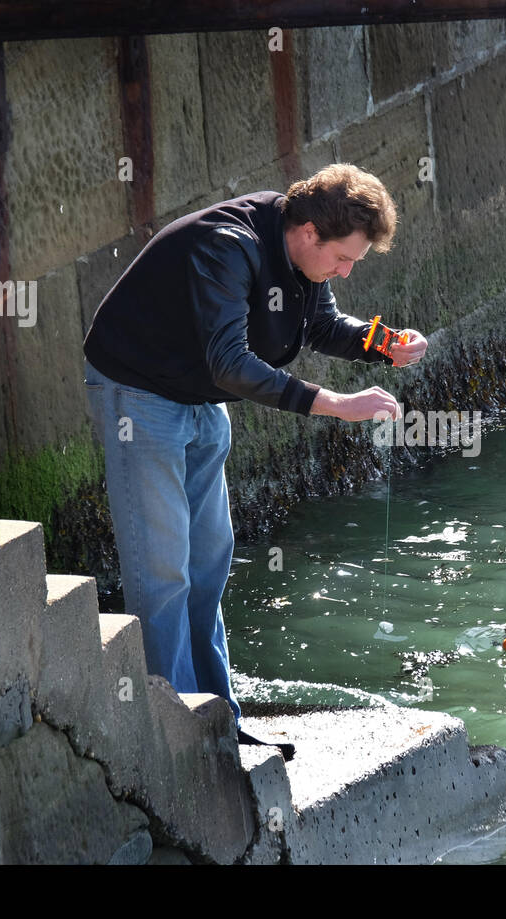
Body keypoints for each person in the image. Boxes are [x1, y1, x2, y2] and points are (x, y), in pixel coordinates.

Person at [82, 164, 427, 761]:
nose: (346, 271)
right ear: (311, 232)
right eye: (343, 260)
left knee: (209, 567)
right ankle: (175, 735)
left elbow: (318, 324)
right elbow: (229, 363)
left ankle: (219, 720)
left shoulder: (298, 253)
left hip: (199, 403)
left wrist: (382, 341)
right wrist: (335, 405)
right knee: (163, 576)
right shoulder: (230, 245)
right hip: (138, 397)